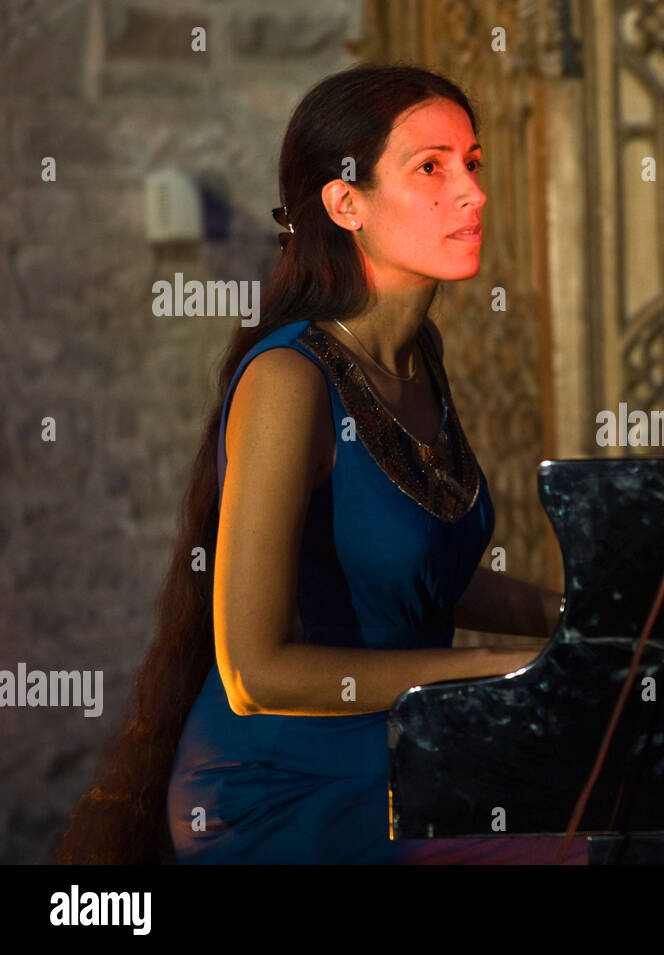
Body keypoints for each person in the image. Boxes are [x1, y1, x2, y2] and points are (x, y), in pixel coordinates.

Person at [56, 65, 576, 864]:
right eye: (430, 167)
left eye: (473, 163)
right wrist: (500, 670)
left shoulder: (418, 357)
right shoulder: (288, 379)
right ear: (345, 203)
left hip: (409, 755)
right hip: (281, 793)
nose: (471, 192)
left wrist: (578, 615)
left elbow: (410, 571)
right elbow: (253, 672)